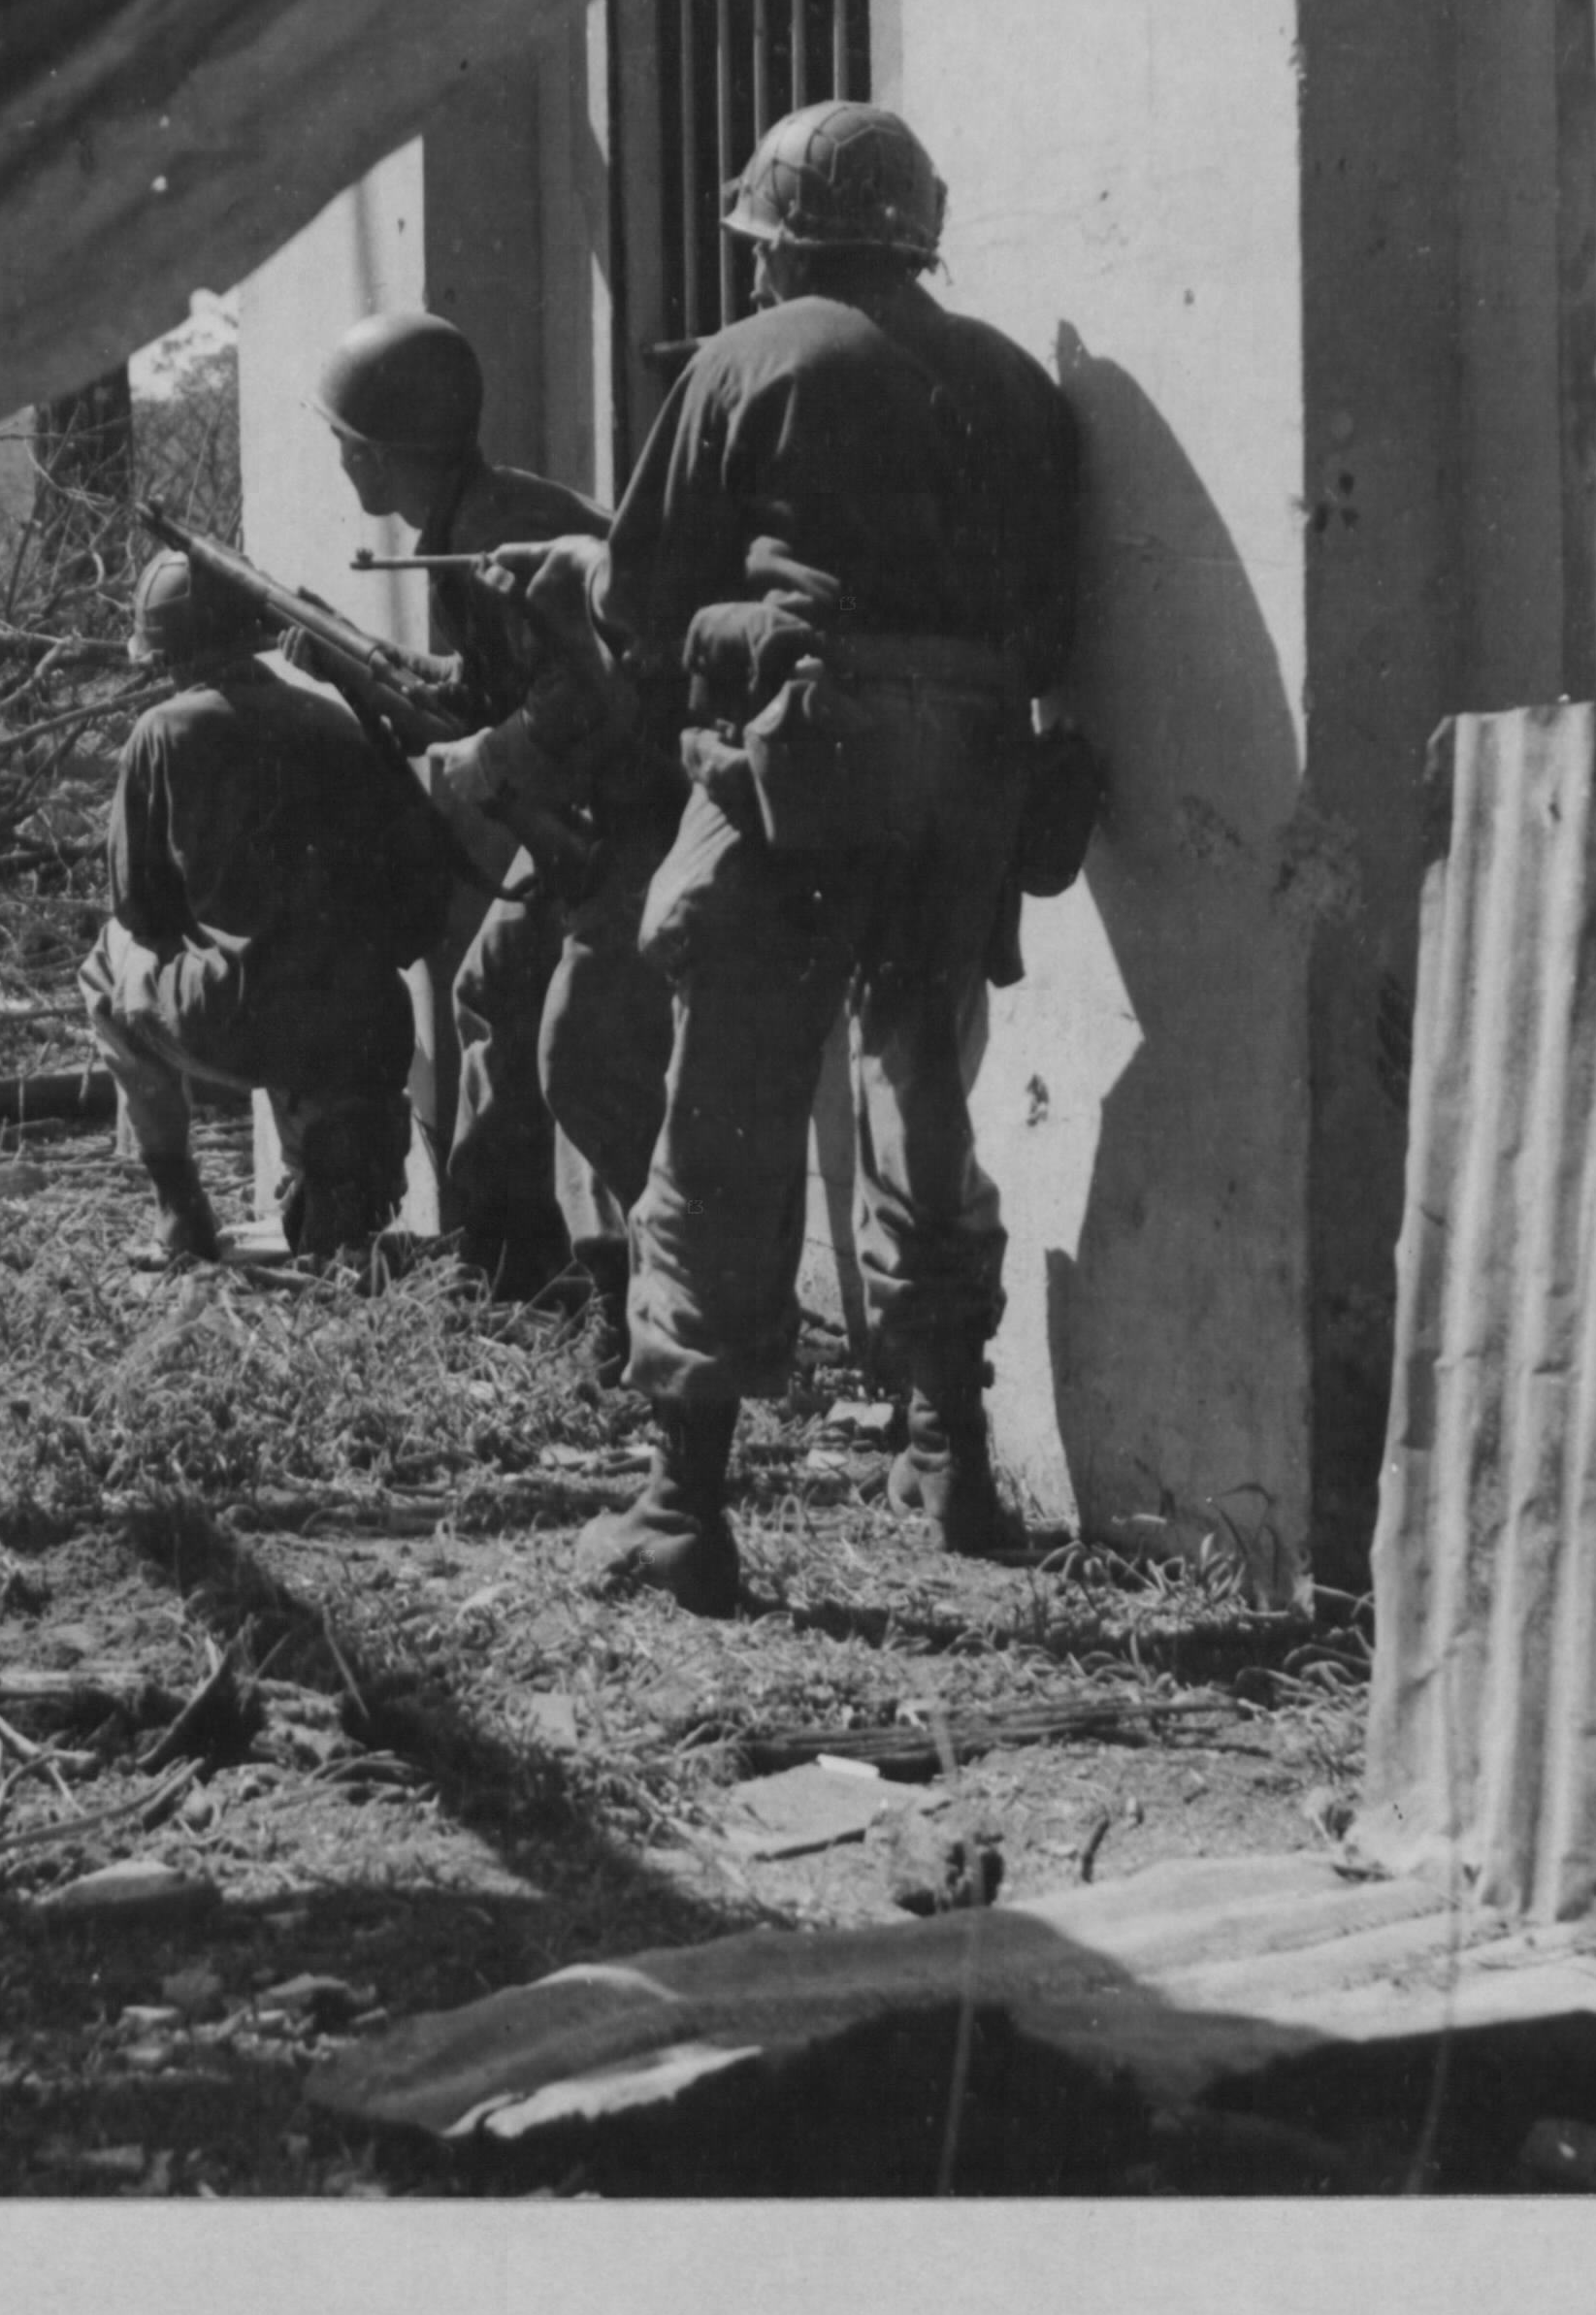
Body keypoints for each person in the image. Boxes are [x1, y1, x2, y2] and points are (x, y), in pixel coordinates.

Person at [574, 103, 1083, 1613]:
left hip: (797, 781)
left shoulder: (750, 361)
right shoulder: (1012, 380)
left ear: (784, 237)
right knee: (922, 1088)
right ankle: (951, 1449)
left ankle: (683, 1503)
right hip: (973, 787)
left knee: (725, 1109)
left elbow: (642, 600)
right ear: (916, 233)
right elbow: (1050, 622)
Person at [309, 310, 676, 1309]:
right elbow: (486, 686)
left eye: (345, 446)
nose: (341, 464)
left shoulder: (497, 527)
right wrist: (355, 659)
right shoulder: (470, 519)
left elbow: (609, 677)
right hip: (594, 811)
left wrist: (498, 752)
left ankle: (646, 1299)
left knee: (586, 1054)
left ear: (380, 455)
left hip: (643, 813)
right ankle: (511, 1269)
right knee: (496, 993)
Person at [79, 550, 450, 1265]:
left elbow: (138, 910)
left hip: (235, 1020)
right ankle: (330, 1183)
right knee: (315, 969)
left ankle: (180, 1212)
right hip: (359, 1028)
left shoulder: (162, 733)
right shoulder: (340, 723)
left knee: (106, 969)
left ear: (167, 656)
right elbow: (414, 905)